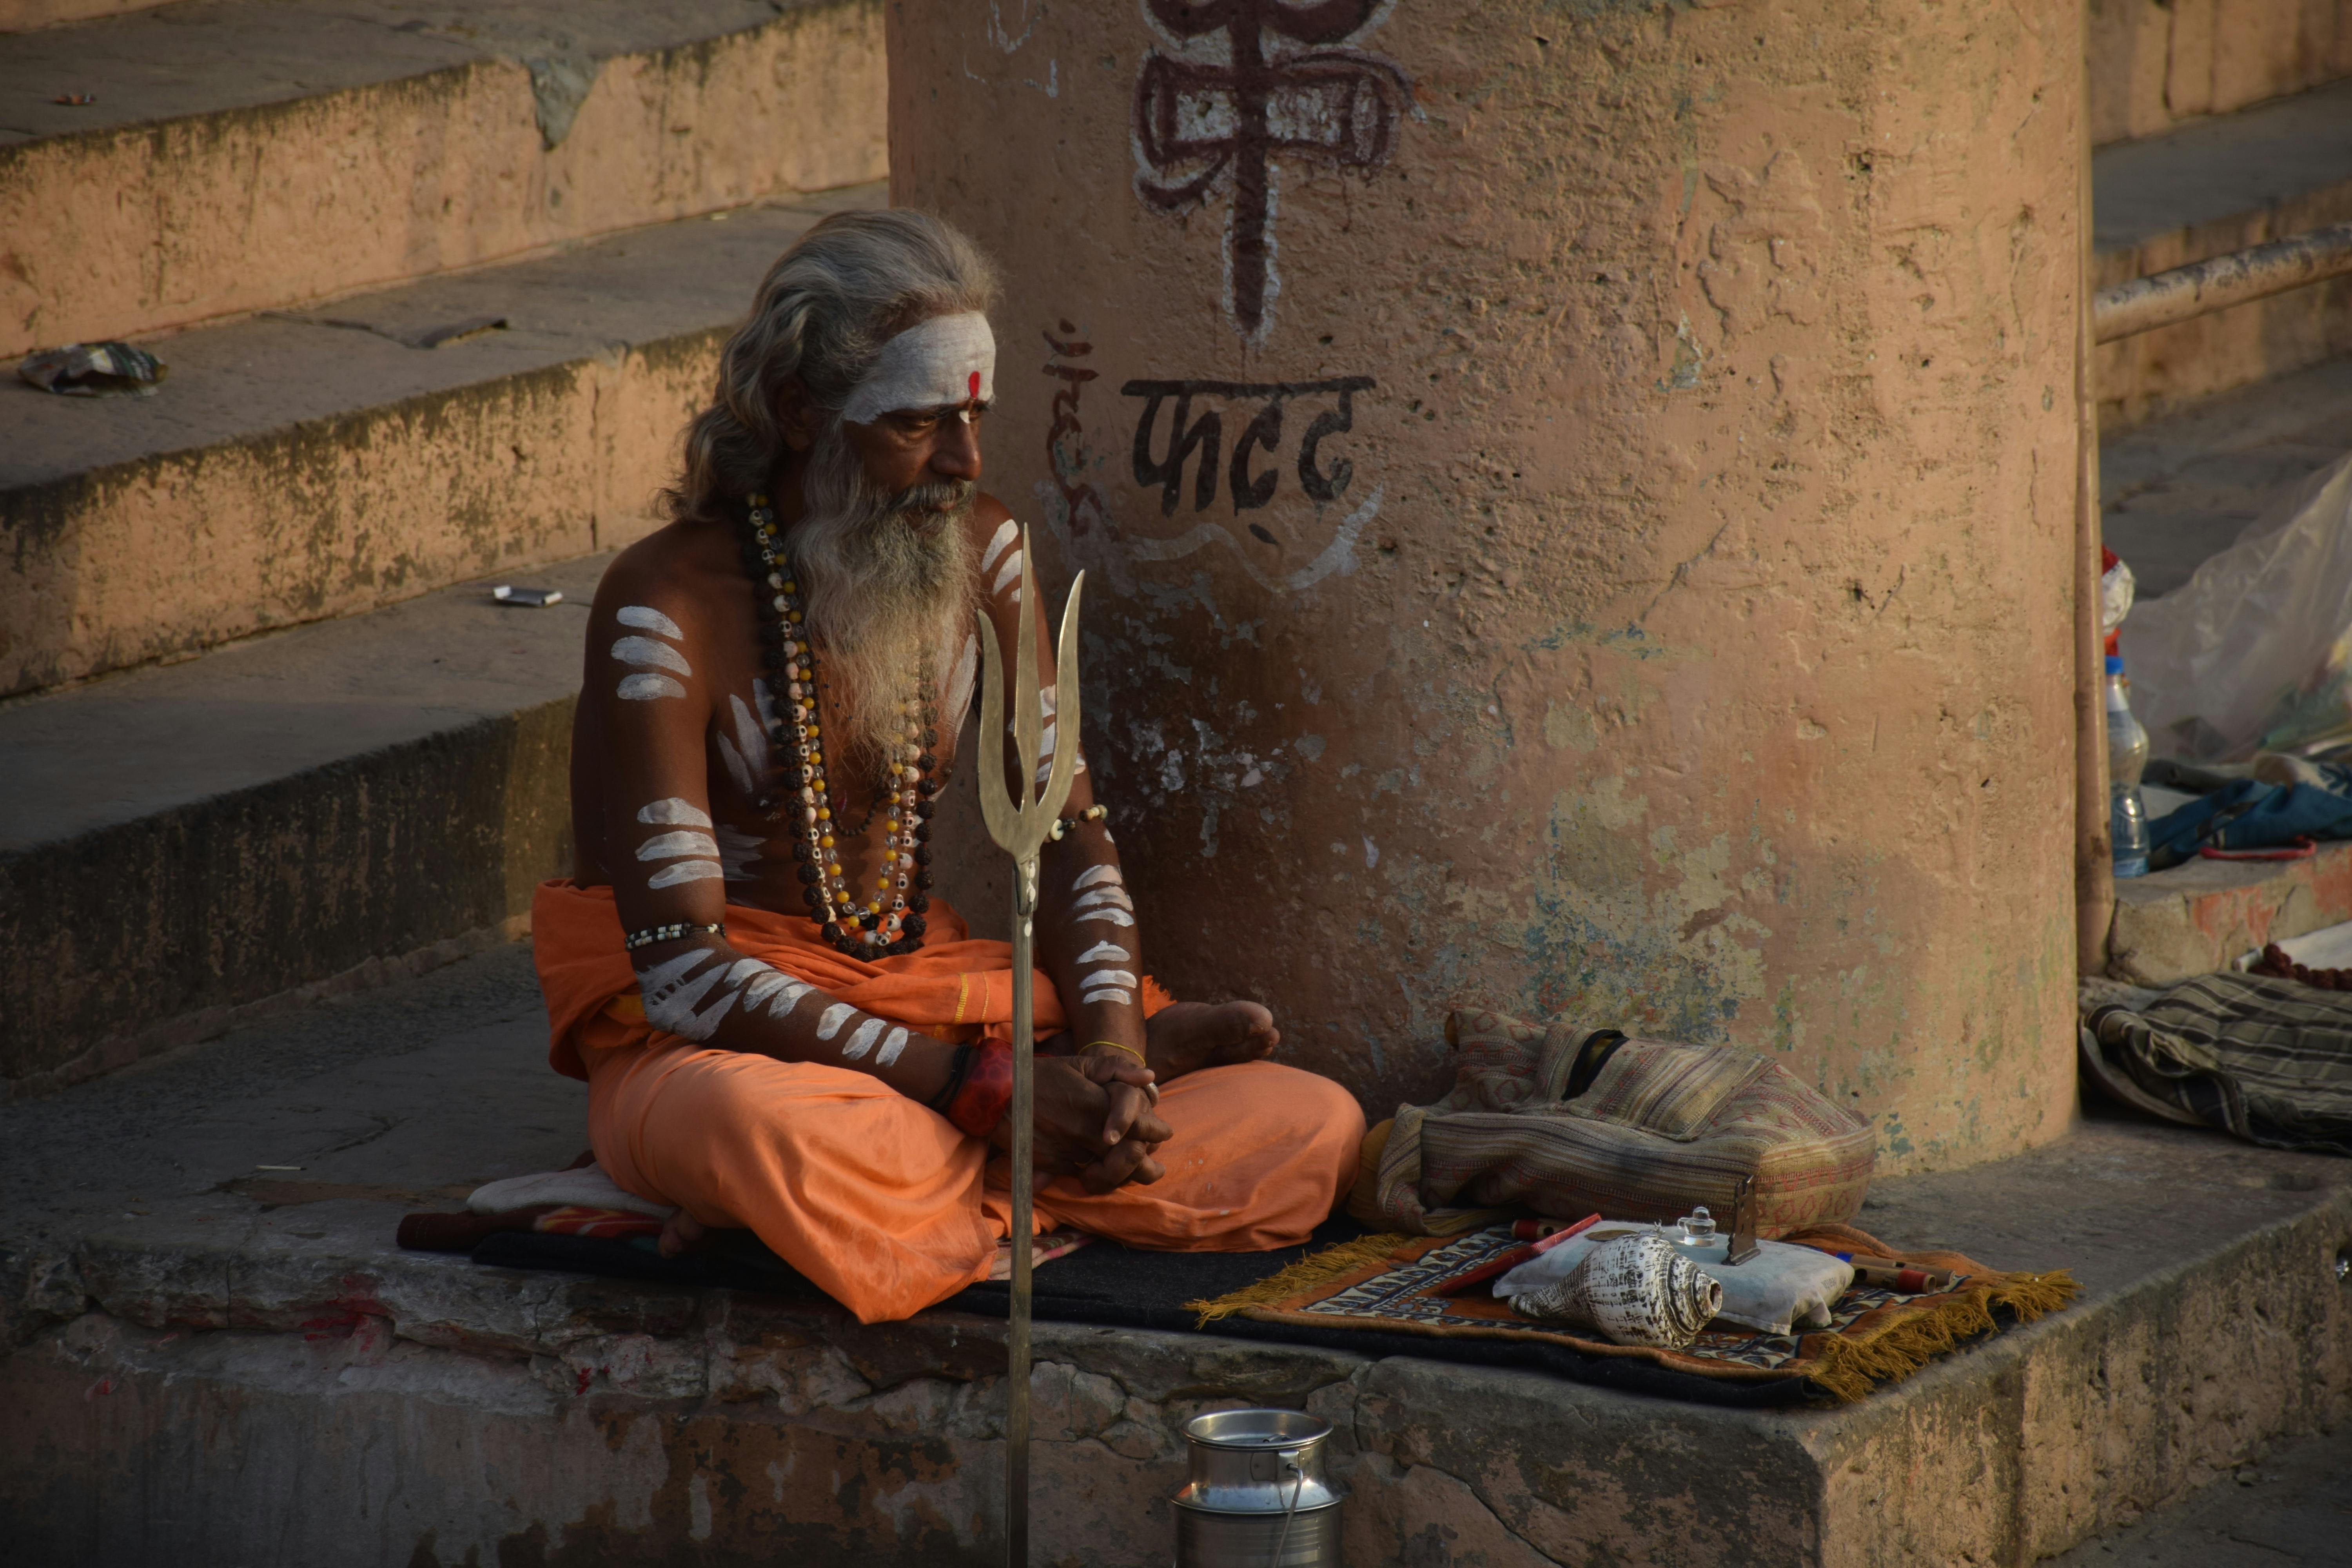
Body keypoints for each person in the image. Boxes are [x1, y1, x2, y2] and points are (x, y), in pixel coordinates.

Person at [530, 209, 1365, 1323]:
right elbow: (683, 972)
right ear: (799, 414)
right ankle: (1012, 1176)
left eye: (971, 419)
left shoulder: (987, 547)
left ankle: (949, 1186)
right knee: (757, 1135)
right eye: (918, 426)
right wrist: (978, 1090)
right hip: (744, 1049)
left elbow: (1067, 833)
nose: (964, 462)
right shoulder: (663, 602)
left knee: (1312, 1125)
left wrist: (1111, 1055)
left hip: (939, 1026)